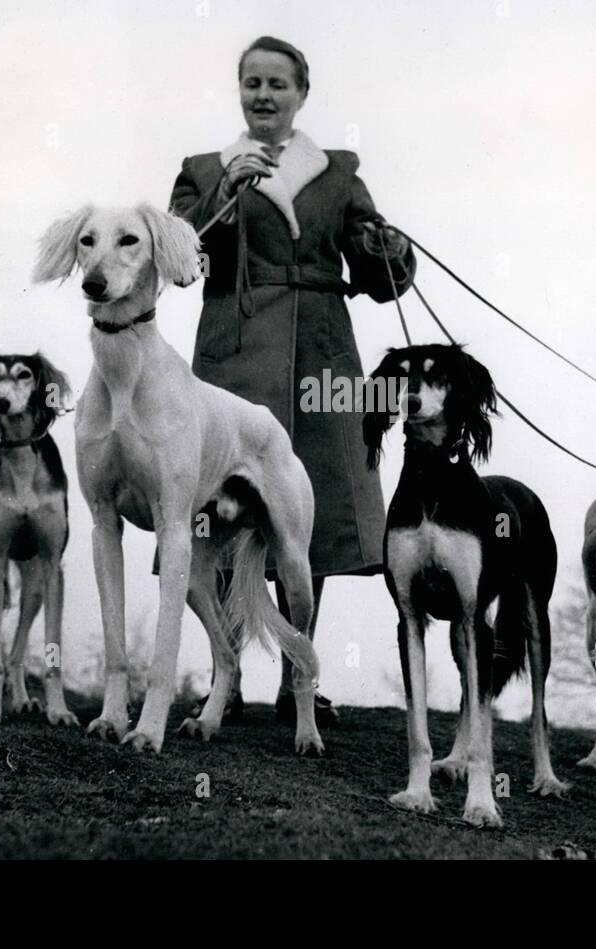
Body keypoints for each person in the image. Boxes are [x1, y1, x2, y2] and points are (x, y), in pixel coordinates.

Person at [170, 35, 415, 725]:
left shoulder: (337, 173)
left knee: (316, 510)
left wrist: (384, 248)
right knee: (216, 504)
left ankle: (296, 679)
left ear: (302, 93)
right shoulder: (201, 169)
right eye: (252, 82)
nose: (264, 95)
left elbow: (379, 275)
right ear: (239, 90)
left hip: (321, 354)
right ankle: (226, 673)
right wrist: (223, 190)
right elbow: (175, 252)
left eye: (279, 83)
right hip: (234, 350)